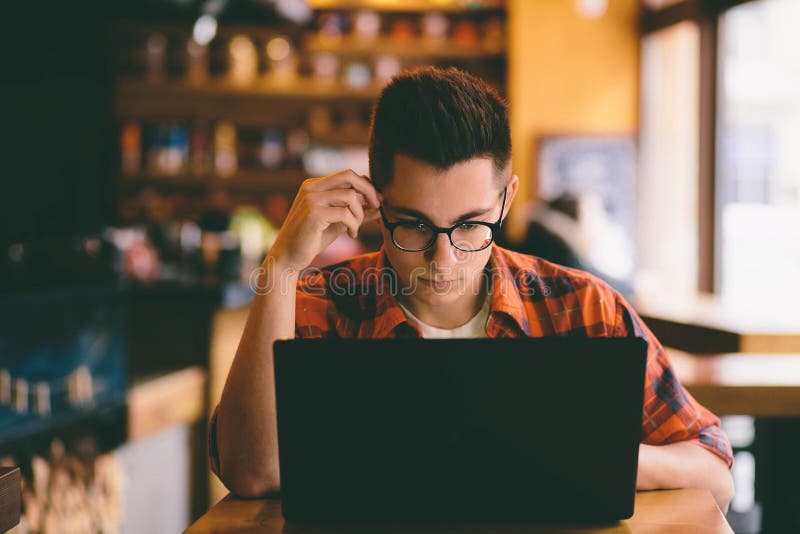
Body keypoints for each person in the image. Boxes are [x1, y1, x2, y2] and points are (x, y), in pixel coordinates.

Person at [210, 67, 734, 511]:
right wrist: (281, 266)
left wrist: (602, 457)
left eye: (470, 225)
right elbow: (250, 473)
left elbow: (716, 474)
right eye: (413, 223)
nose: (443, 259)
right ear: (376, 202)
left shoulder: (584, 307)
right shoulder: (316, 305)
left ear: (507, 200)